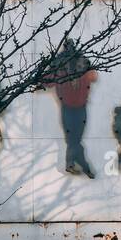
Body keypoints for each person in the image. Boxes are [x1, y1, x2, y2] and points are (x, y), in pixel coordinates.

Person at [46, 41, 97, 178]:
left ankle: (75, 163)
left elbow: (46, 82)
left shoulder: (58, 64)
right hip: (80, 107)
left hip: (68, 107)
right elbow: (94, 77)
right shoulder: (83, 62)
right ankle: (81, 165)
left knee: (73, 139)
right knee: (74, 139)